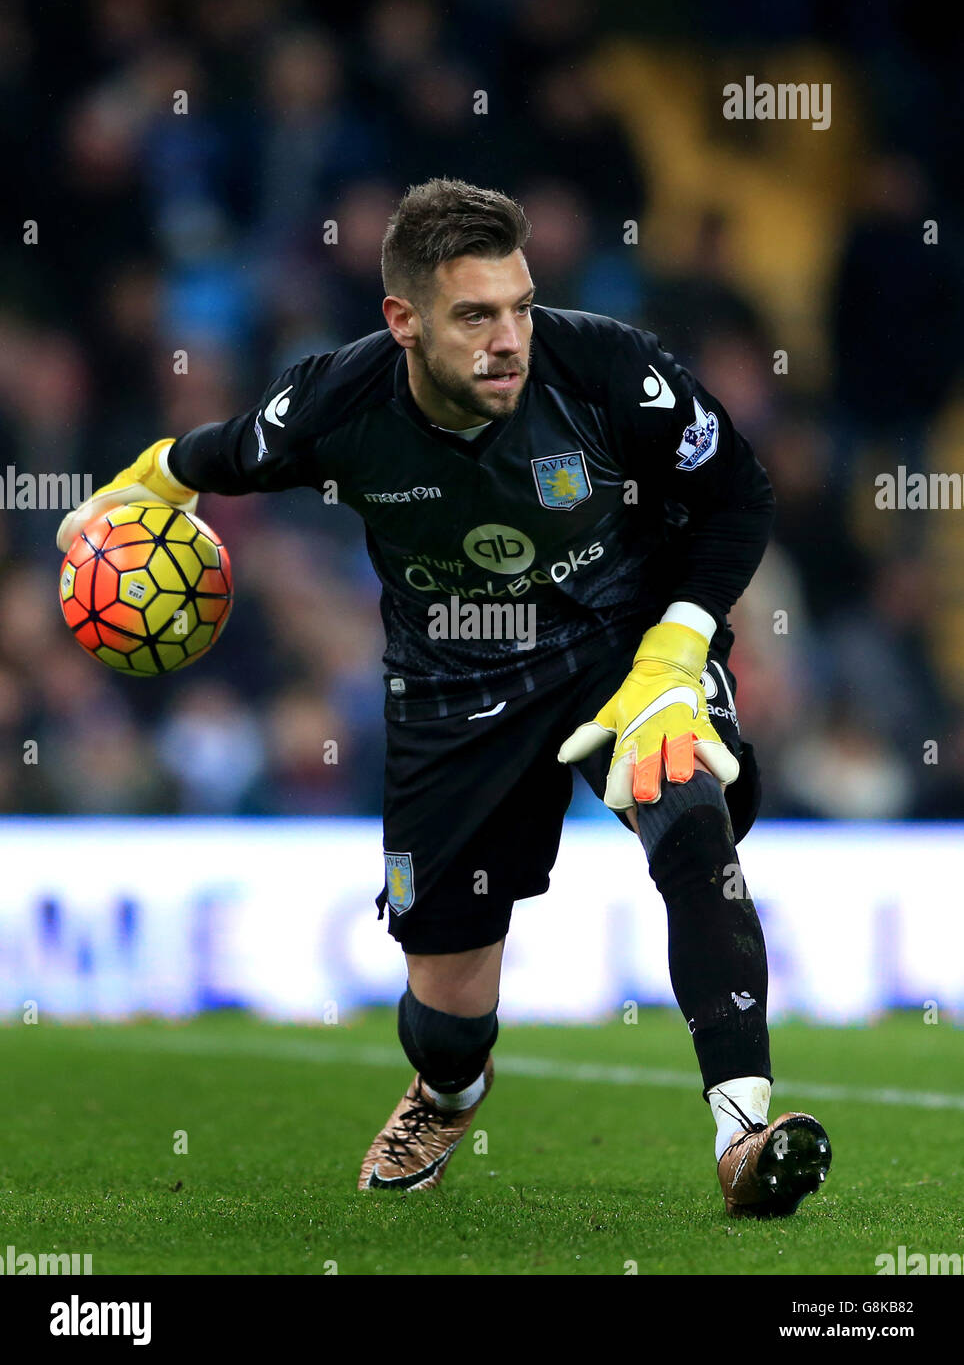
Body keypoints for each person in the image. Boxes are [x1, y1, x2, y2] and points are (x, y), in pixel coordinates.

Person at [57, 179, 831, 1216]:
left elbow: (740, 491)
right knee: (447, 1007)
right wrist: (139, 487)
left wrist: (676, 650)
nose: (508, 336)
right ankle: (449, 1088)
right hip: (449, 691)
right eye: (474, 314)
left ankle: (745, 1131)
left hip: (618, 648)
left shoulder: (608, 368)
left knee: (686, 814)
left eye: (517, 304)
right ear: (403, 322)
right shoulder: (338, 401)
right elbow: (219, 454)